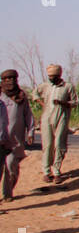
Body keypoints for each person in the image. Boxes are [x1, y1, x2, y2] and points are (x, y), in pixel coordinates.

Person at [34, 64, 76, 184]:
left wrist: (63, 103)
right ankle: (46, 171)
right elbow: (35, 94)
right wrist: (43, 104)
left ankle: (56, 170)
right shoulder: (45, 86)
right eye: (50, 76)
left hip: (61, 117)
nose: (51, 78)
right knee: (47, 145)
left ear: (59, 75)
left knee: (59, 144)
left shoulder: (67, 86)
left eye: (54, 76)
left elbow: (74, 102)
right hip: (47, 117)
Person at [0, 69, 36, 202]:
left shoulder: (21, 96)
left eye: (13, 79)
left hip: (15, 139)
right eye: (7, 79)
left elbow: (28, 115)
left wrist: (30, 131)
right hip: (1, 138)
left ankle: (7, 193)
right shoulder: (0, 95)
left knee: (11, 166)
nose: (10, 82)